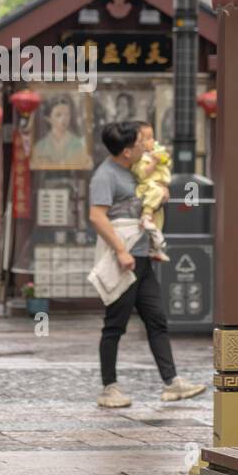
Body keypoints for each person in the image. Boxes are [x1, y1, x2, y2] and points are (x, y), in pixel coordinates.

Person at [88, 120, 204, 408]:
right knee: (115, 324)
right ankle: (109, 388)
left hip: (141, 257)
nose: (146, 145)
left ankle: (172, 382)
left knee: (157, 319)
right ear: (127, 150)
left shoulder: (133, 170)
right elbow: (97, 217)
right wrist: (120, 251)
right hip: (124, 258)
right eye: (141, 142)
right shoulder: (105, 176)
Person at [32, 95, 89, 169]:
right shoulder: (40, 147)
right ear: (48, 118)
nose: (64, 119)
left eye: (67, 114)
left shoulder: (78, 145)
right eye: (58, 115)